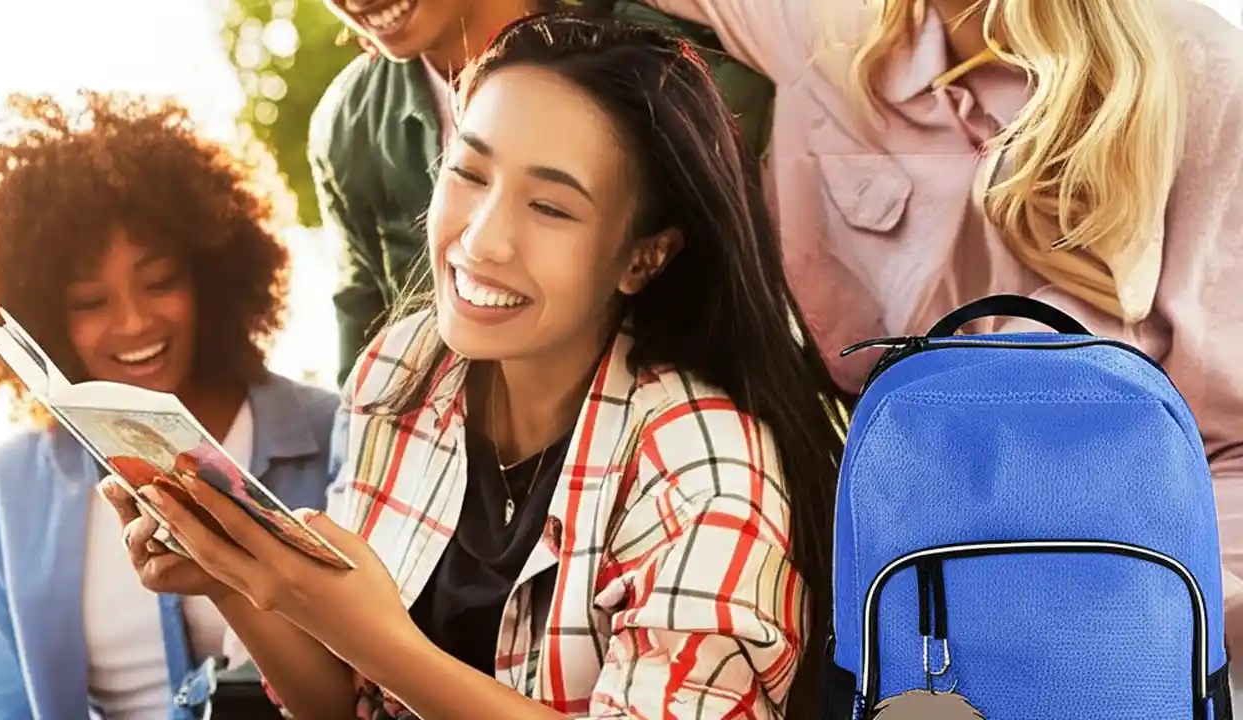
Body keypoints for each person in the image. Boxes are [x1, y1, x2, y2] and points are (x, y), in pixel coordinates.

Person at [104, 14, 847, 720]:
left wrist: (379, 641)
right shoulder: (399, 372)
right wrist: (239, 581)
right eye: (469, 173)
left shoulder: (703, 465)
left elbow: (377, 657)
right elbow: (338, 704)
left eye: (551, 208)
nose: (483, 240)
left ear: (643, 256)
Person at [638, 0, 1243, 664]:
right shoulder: (827, 26)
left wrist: (1123, 616)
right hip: (888, 584)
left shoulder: (1203, 75)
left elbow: (1233, 442)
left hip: (1117, 604)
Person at [0, 92, 341, 719]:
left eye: (160, 282)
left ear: (210, 276)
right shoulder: (6, 496)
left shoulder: (334, 438)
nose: (134, 322)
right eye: (91, 302)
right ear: (48, 316)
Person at [312, 0, 776, 384]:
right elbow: (363, 356)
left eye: (550, 206)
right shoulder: (349, 125)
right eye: (468, 175)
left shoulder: (677, 69)